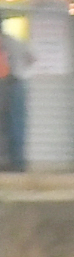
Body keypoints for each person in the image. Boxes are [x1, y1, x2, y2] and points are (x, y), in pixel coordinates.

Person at [0, 24, 28, 172]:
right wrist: (23, 72)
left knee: (9, 125)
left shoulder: (7, 43)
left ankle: (13, 162)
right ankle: (17, 162)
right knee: (15, 125)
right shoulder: (15, 41)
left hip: (7, 83)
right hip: (17, 82)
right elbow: (32, 57)